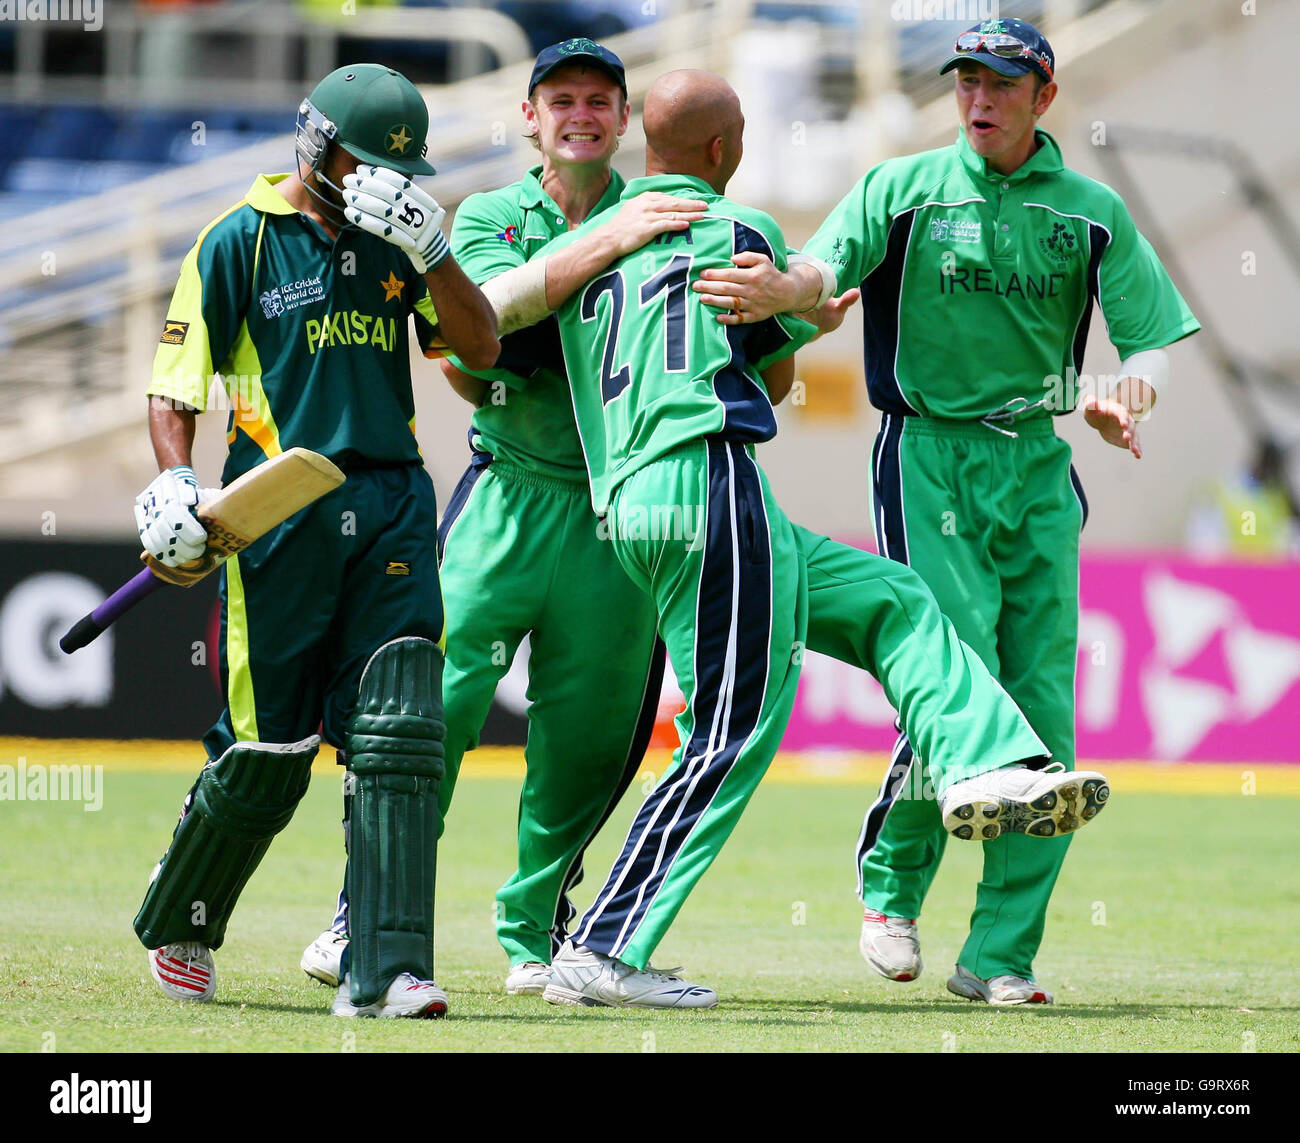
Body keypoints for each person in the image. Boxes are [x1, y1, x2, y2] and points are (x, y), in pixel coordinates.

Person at [501, 68, 1109, 1010]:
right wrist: (806, 309)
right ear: (723, 149)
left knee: (893, 601)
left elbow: (492, 330)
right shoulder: (741, 233)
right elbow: (778, 365)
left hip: (625, 503)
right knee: (730, 730)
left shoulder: (586, 244)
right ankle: (603, 945)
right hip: (710, 480)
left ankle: (982, 762)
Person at [691, 17, 1200, 1005]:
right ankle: (890, 888)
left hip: (1040, 472)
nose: (978, 96)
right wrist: (778, 289)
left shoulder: (1091, 211)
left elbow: (1149, 344)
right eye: (967, 78)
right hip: (926, 455)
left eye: (1002, 82)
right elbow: (821, 273)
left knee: (1043, 719)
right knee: (955, 673)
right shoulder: (901, 187)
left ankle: (1000, 957)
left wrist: (1124, 393)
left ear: (1042, 97)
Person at [300, 39, 708, 996]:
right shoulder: (490, 212)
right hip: (510, 489)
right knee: (422, 715)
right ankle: (363, 912)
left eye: (600, 101)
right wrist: (603, 251)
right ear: (530, 117)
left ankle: (537, 940)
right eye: (560, 98)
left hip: (620, 509)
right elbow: (487, 323)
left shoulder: (667, 207)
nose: (581, 114)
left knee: (588, 740)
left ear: (624, 118)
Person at [134, 63, 498, 1018]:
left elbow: (482, 346)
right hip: (277, 508)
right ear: (314, 143)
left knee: (401, 729)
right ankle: (186, 915)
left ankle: (385, 971)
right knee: (268, 751)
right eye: (363, 161)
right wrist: (176, 482)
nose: (377, 181)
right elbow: (176, 382)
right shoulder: (235, 240)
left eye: (395, 169)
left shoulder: (400, 238)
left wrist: (435, 251)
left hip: (391, 498)